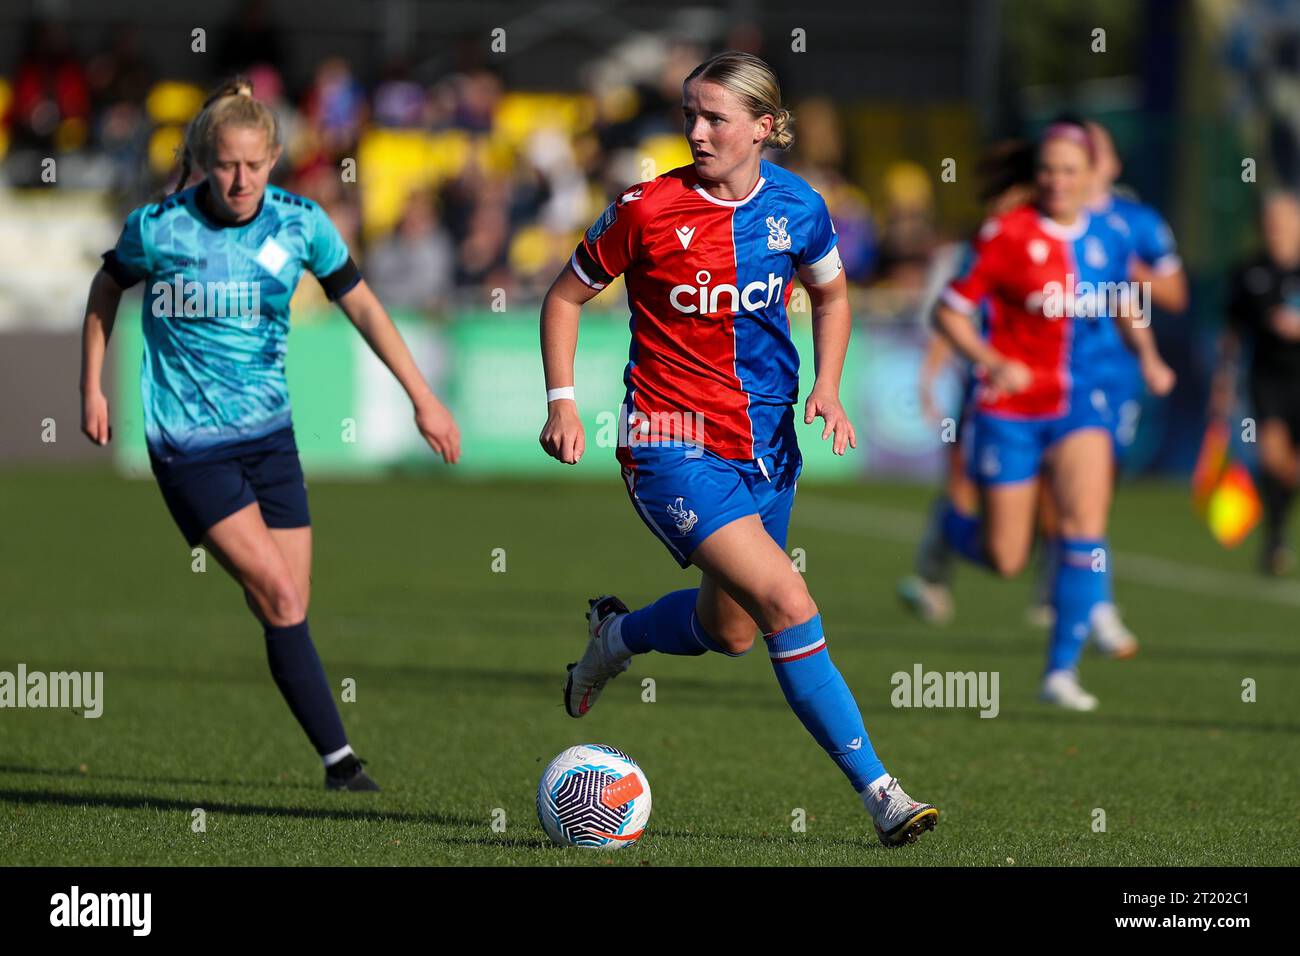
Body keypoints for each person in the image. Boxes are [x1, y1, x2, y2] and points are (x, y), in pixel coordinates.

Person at [538, 51, 939, 847]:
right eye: (689, 113)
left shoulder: (800, 207)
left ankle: (613, 638)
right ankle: (883, 795)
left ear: (764, 126)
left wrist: (827, 384)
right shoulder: (645, 209)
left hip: (767, 446)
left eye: (714, 117)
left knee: (732, 632)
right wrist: (562, 403)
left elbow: (830, 292)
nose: (695, 131)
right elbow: (564, 295)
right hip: (667, 442)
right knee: (789, 600)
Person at [79, 78, 461, 790]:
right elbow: (106, 290)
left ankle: (331, 757)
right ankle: (342, 765)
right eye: (226, 164)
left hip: (271, 440)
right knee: (280, 598)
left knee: (289, 604)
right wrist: (91, 386)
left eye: (255, 164)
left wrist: (423, 398)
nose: (242, 179)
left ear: (277, 157)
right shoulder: (159, 229)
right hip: (187, 443)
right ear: (202, 159)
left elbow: (367, 309)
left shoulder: (300, 222)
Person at [931, 119, 1176, 710]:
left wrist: (1149, 358)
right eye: (1048, 170)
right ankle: (949, 528)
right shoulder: (1006, 234)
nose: (1057, 180)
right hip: (1012, 408)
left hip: (1082, 404)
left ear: (1092, 174)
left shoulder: (1114, 234)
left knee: (1083, 528)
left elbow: (1123, 300)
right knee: (1007, 557)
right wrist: (991, 360)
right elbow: (950, 312)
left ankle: (1060, 672)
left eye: (1069, 170)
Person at [1018, 121, 1190, 650]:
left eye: (1091, 156)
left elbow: (1175, 294)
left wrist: (1122, 270)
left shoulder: (1132, 225)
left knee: (1094, 491)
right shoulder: (1034, 221)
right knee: (1055, 496)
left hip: (1110, 380)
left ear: (1105, 166)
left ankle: (1092, 600)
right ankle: (1072, 584)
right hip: (1043, 380)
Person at [1214, 191, 1300, 575]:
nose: (1276, 228)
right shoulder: (1248, 271)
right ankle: (1276, 536)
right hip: (1268, 379)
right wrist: (1223, 382)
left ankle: (1277, 533)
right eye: (1270, 221)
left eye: (1284, 220)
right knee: (1272, 456)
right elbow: (1231, 333)